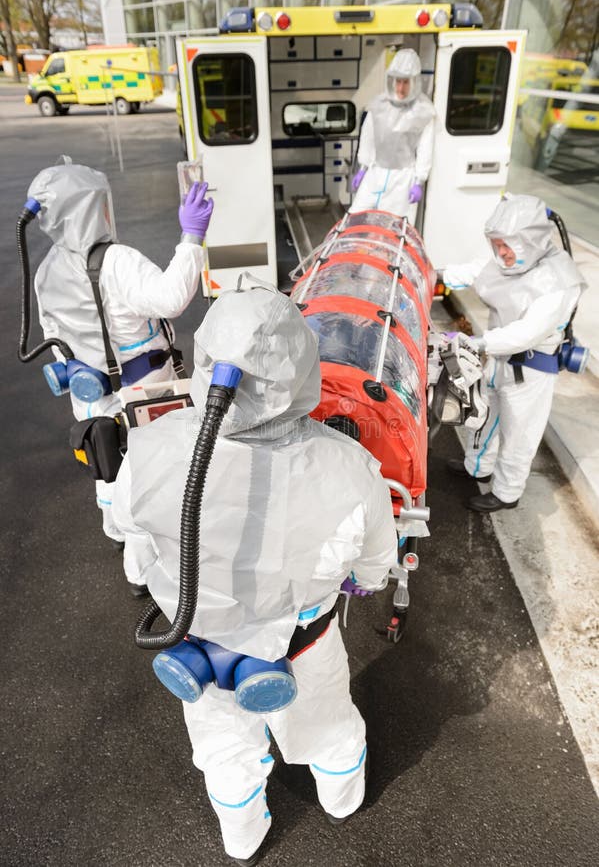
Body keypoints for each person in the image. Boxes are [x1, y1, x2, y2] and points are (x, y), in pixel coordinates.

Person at [112, 277, 398, 866]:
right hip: (303, 645)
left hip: (192, 636)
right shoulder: (351, 468)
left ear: (208, 363)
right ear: (302, 371)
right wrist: (355, 583)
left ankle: (242, 839)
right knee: (327, 726)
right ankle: (343, 803)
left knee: (222, 749)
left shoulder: (147, 451)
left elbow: (130, 540)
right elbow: (374, 565)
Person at [29, 160, 213, 592]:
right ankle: (142, 571)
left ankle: (114, 529)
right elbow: (170, 299)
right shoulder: (115, 262)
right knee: (146, 475)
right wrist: (192, 237)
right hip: (142, 390)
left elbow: (52, 332)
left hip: (89, 390)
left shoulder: (48, 268)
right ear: (93, 209)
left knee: (105, 456)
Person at [441, 194, 586, 512]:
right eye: (497, 245)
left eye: (507, 246)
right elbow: (479, 270)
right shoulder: (511, 261)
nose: (500, 253)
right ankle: (477, 467)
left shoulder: (558, 281)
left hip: (530, 368)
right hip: (497, 359)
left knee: (519, 433)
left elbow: (525, 334)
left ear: (530, 241)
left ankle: (506, 493)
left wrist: (474, 343)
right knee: (484, 416)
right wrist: (437, 275)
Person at [350, 48, 435, 221]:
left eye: (405, 82)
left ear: (415, 82)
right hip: (375, 173)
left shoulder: (423, 111)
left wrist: (419, 181)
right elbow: (368, 139)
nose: (400, 87)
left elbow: (425, 149)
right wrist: (363, 168)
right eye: (397, 81)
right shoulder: (379, 105)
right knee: (357, 217)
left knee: (393, 227)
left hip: (403, 179)